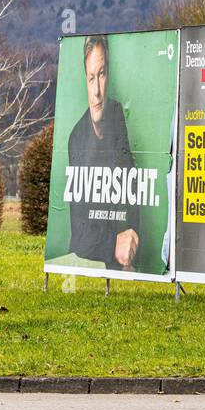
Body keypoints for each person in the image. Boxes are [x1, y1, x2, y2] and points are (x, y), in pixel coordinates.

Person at [66, 35, 141, 270]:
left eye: (101, 74)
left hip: (117, 259)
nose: (97, 90)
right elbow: (80, 234)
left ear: (108, 75)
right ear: (84, 80)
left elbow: (132, 189)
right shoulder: (76, 138)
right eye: (90, 78)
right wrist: (114, 246)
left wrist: (131, 238)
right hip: (87, 262)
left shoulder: (116, 112)